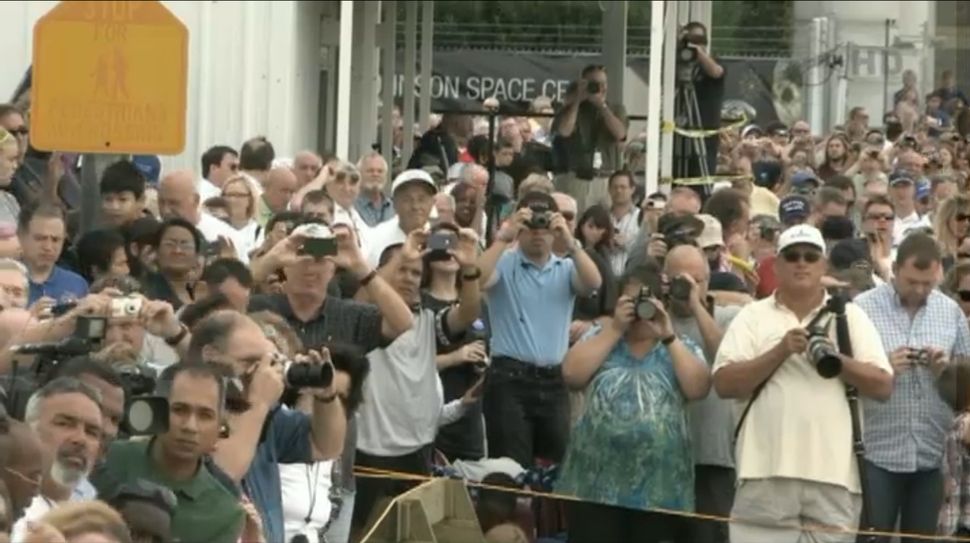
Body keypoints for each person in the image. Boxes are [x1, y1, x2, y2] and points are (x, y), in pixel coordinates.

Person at [714, 224, 892, 543]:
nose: (802, 263)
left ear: (823, 265)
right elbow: (725, 384)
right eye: (792, 256)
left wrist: (835, 359)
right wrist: (781, 350)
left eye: (811, 256)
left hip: (835, 477)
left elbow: (882, 386)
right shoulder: (752, 316)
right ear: (777, 265)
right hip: (763, 472)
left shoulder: (850, 316)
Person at [557, 264, 709, 543]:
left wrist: (668, 335)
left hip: (659, 492)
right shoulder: (601, 337)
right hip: (595, 488)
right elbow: (571, 374)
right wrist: (615, 328)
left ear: (662, 305)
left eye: (647, 302)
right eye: (632, 300)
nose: (640, 311)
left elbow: (698, 388)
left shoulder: (680, 345)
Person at [352, 226, 482, 531]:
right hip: (367, 449)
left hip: (417, 449)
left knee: (413, 534)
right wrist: (401, 256)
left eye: (415, 272)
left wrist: (471, 268)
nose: (408, 277)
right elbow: (362, 296)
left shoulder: (428, 319)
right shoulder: (360, 319)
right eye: (401, 269)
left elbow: (469, 311)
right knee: (364, 533)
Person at [854, 233, 970, 541]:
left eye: (928, 283)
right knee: (871, 538)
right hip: (877, 451)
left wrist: (946, 369)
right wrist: (884, 367)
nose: (919, 290)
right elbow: (844, 375)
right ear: (894, 269)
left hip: (934, 455)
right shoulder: (862, 309)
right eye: (911, 282)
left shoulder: (950, 312)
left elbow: (966, 391)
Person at [478, 191, 602, 468]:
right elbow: (476, 278)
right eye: (530, 226)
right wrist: (504, 237)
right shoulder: (504, 262)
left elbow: (594, 283)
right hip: (509, 379)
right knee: (510, 469)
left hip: (554, 380)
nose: (538, 234)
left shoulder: (567, 267)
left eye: (545, 226)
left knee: (557, 470)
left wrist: (571, 242)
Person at [91, 362, 245, 543]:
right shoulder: (107, 459)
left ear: (220, 426)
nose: (190, 426)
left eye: (205, 415)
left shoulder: (224, 514)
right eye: (179, 410)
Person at [663, 245, 741, 543]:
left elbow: (727, 359)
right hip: (663, 457)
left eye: (699, 280)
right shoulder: (653, 318)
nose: (690, 287)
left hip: (712, 455)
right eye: (683, 280)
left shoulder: (729, 316)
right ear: (666, 280)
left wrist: (697, 305)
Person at [423, 223, 490, 462]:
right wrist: (455, 357)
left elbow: (483, 337)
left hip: (469, 417)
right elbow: (410, 363)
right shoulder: (418, 303)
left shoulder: (478, 303)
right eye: (440, 245)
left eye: (454, 244)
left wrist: (482, 364)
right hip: (431, 415)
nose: (449, 252)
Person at [12, 378, 105, 541]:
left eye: (92, 432)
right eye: (64, 424)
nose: (80, 439)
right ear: (29, 430)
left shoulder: (99, 521)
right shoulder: (8, 510)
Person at [551, 65, 629, 212]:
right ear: (583, 83)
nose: (600, 87)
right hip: (579, 177)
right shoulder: (571, 109)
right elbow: (564, 131)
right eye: (594, 83)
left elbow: (620, 134)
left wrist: (602, 106)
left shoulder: (616, 109)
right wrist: (577, 101)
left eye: (603, 83)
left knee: (607, 224)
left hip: (607, 178)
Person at [673, 22, 725, 195]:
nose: (693, 43)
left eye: (699, 39)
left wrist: (697, 51)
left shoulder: (712, 64)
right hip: (681, 135)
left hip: (704, 135)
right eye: (690, 38)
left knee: (700, 183)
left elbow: (716, 72)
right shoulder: (678, 63)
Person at [18, 203, 87, 305]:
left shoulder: (77, 284)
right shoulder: (5, 280)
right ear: (20, 236)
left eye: (55, 240)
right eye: (40, 238)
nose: (48, 247)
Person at [365, 170, 437, 268]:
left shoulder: (441, 236)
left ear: (433, 202)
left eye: (422, 199)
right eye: (407, 200)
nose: (415, 206)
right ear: (394, 203)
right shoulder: (375, 237)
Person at [142, 218, 205, 310]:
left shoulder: (209, 292)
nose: (177, 250)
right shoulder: (143, 290)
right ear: (155, 251)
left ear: (197, 255)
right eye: (170, 244)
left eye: (185, 245)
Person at [220, 175, 261, 262]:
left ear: (250, 199)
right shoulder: (215, 228)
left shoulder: (258, 232)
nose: (232, 200)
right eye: (228, 195)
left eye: (238, 195)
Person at [99, 160, 147, 228]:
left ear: (140, 201)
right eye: (108, 199)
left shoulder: (151, 234)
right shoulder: (99, 235)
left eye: (123, 199)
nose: (115, 207)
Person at [354, 152, 394, 228]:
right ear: (358, 175)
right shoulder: (350, 208)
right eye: (370, 171)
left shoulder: (395, 208)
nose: (375, 174)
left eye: (380, 171)